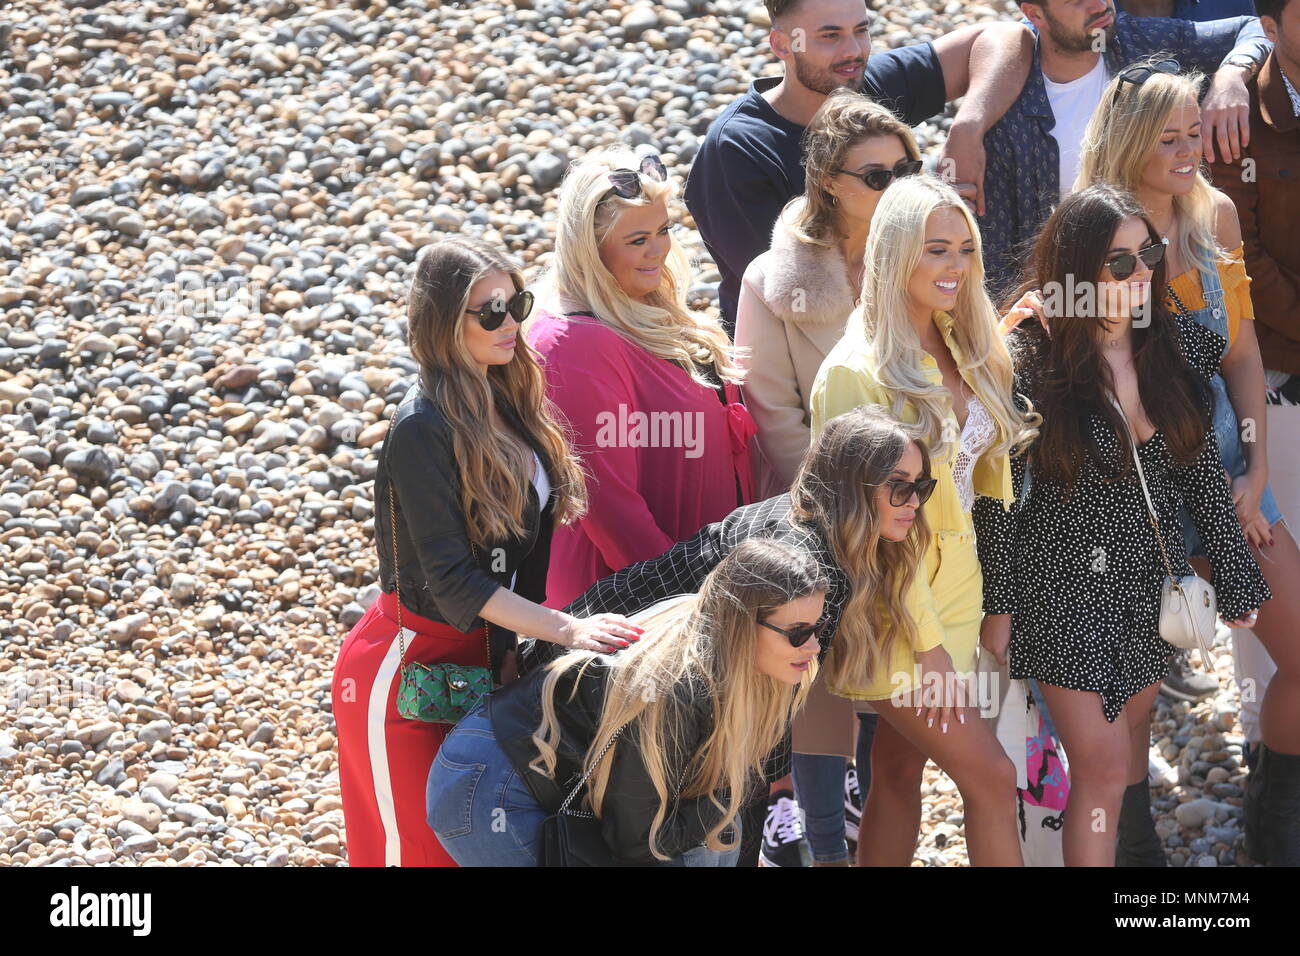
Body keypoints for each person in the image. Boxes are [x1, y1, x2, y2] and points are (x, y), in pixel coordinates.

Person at [555, 405, 1021, 866]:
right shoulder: (813, 568)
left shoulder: (821, 527)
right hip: (594, 682)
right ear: (851, 487)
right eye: (900, 487)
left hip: (613, 675)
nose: (916, 502)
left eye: (922, 486)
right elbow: (760, 726)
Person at [975, 184, 1270, 867]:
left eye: (1149, 255)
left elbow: (1199, 473)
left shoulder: (1172, 346)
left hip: (1147, 586)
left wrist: (1233, 576)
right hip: (1059, 591)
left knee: (1125, 758)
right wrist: (1001, 605)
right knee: (1105, 767)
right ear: (1076, 273)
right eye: (1120, 263)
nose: (1142, 273)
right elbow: (997, 497)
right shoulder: (1030, 359)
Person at [331, 238, 642, 867]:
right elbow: (451, 583)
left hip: (488, 665)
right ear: (445, 324)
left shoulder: (516, 405)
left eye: (516, 304)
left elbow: (530, 563)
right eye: (489, 311)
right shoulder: (421, 427)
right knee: (412, 852)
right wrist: (567, 629)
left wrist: (514, 655)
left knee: (479, 844)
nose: (510, 324)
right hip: (408, 670)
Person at [1072, 58, 1300, 865]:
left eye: (1194, 133)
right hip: (1134, 500)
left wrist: (1258, 468)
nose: (1188, 150)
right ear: (1128, 139)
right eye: (1167, 137)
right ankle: (1136, 856)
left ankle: (1276, 827)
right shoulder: (1094, 229)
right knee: (1129, 704)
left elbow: (1241, 353)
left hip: (1234, 488)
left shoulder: (1217, 218)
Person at [810, 174, 1037, 867]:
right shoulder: (856, 373)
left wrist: (997, 606)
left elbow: (984, 480)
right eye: (936, 250)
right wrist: (930, 647)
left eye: (965, 249)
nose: (957, 267)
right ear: (895, 252)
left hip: (961, 598)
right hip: (895, 615)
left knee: (900, 772)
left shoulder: (958, 339)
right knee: (994, 779)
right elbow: (868, 538)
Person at [735, 89, 923, 866]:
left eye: (908, 168)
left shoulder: (923, 256)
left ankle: (865, 828)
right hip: (817, 517)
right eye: (876, 174)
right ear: (828, 181)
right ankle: (815, 832)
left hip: (913, 507)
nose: (896, 185)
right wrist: (835, 511)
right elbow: (772, 411)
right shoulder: (769, 279)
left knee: (898, 678)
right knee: (817, 673)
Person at [425, 538, 828, 867]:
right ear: (742, 623)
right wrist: (725, 794)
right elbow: (637, 843)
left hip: (533, 769)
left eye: (817, 628)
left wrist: (721, 801)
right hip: (489, 787)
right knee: (704, 844)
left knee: (716, 836)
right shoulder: (676, 689)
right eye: (797, 632)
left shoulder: (724, 643)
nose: (813, 646)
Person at [686, 0, 1039, 334]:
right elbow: (795, 294)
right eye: (830, 36)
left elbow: (1005, 36)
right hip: (795, 365)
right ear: (781, 44)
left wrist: (968, 129)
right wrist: (923, 219)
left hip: (903, 345)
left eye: (861, 29)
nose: (853, 51)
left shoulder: (863, 87)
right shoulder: (737, 150)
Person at [527, 147, 758, 612]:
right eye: (637, 240)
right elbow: (610, 507)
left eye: (664, 229)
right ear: (589, 250)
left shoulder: (638, 301)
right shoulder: (574, 343)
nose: (658, 250)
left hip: (696, 574)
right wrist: (692, 603)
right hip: (636, 610)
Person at [978, 0, 1272, 299]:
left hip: (1169, 285)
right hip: (1069, 304)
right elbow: (995, 263)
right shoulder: (1007, 112)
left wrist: (1231, 75)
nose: (1099, 4)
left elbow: (1253, 27)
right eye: (1076, 0)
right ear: (1034, 13)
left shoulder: (1134, 38)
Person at [1209, 0, 1300, 847]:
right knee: (1270, 587)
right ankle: (1270, 781)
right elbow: (1248, 257)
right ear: (1269, 24)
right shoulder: (1235, 116)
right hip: (1273, 386)